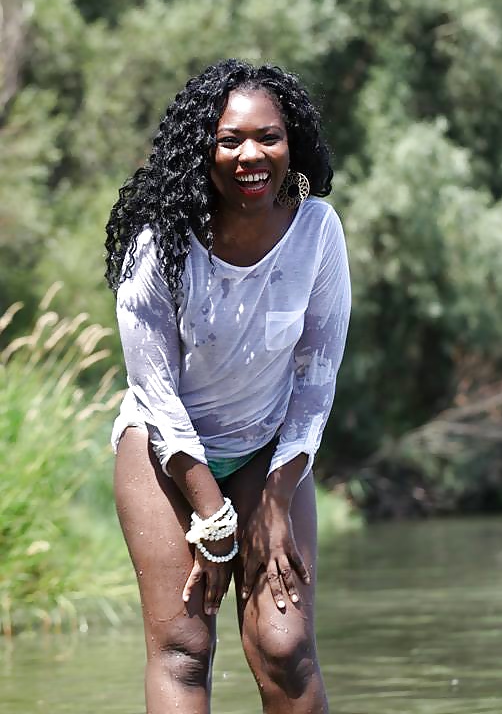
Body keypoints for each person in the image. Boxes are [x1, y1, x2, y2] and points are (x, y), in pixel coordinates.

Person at [105, 58, 350, 714]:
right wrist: (212, 520)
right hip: (164, 453)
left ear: (291, 141)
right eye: (230, 139)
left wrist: (275, 498)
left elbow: (316, 380)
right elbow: (154, 391)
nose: (251, 154)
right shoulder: (157, 244)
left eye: (268, 137)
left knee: (284, 644)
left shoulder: (317, 233)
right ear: (202, 151)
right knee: (185, 646)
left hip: (268, 448)